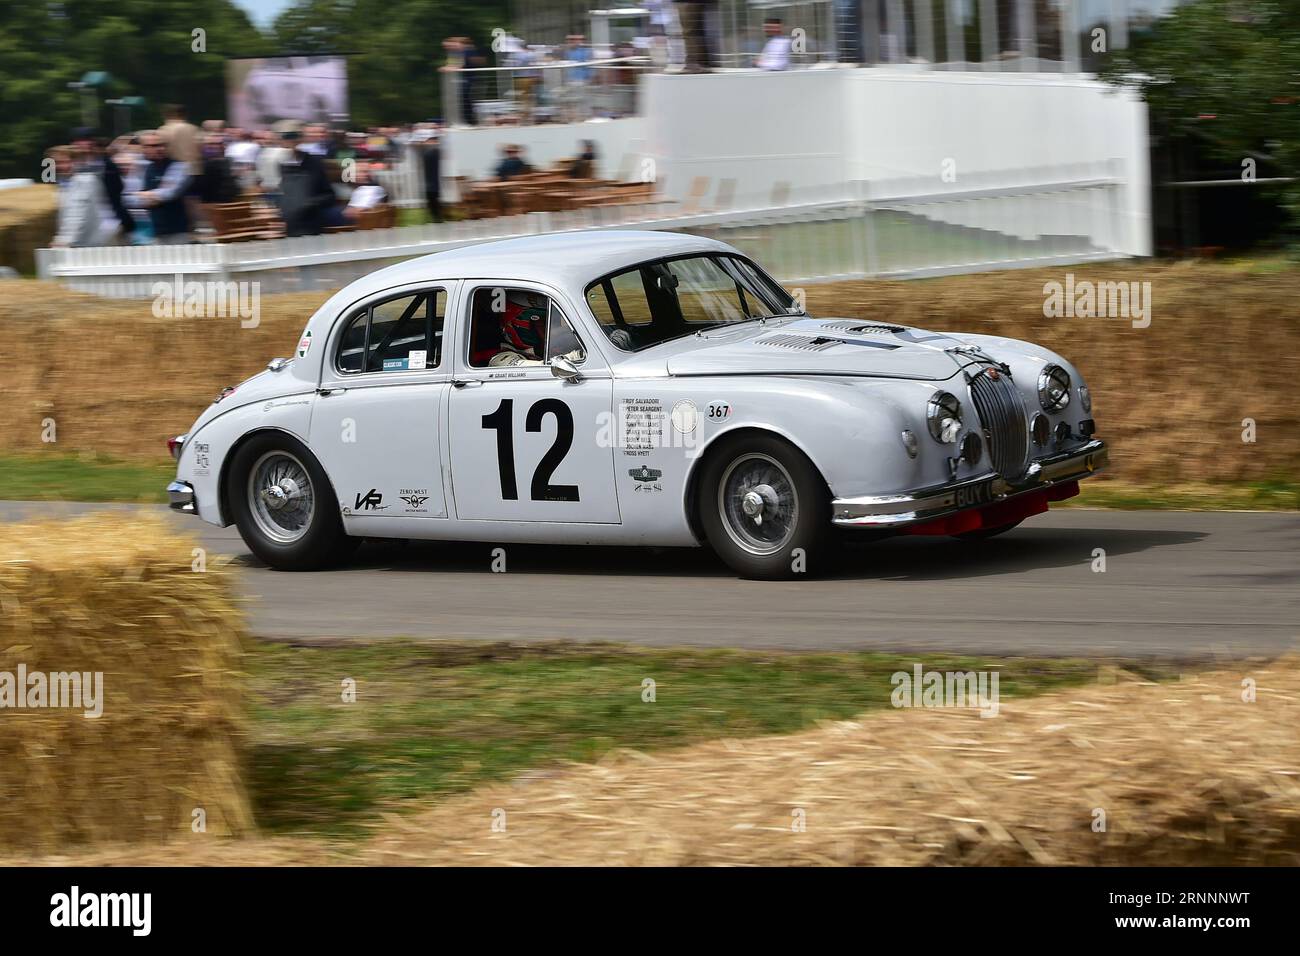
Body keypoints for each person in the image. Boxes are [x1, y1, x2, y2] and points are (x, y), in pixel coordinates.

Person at [126, 132, 192, 243]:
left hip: (177, 231)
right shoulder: (143, 169)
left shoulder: (179, 166)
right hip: (152, 232)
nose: (159, 149)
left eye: (162, 145)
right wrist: (150, 197)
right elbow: (131, 198)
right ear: (144, 148)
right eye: (153, 146)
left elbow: (169, 193)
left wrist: (142, 195)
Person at [279, 126, 338, 236]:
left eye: (294, 139)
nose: (290, 145)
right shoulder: (281, 165)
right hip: (288, 223)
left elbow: (329, 196)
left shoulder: (314, 163)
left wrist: (308, 203)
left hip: (309, 222)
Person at [50, 145, 107, 248]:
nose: (61, 166)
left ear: (76, 162)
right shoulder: (64, 183)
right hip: (78, 243)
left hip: (84, 245)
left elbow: (76, 212)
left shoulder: (84, 181)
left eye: (65, 162)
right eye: (57, 163)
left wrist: (64, 239)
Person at [158, 104, 200, 175]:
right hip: (195, 170)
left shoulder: (164, 130)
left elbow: (162, 152)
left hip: (174, 171)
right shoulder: (194, 128)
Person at [422, 133, 442, 221]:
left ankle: (436, 216)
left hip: (432, 182)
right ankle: (436, 216)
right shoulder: (433, 152)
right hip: (432, 181)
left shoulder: (432, 153)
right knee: (433, 199)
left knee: (433, 199)